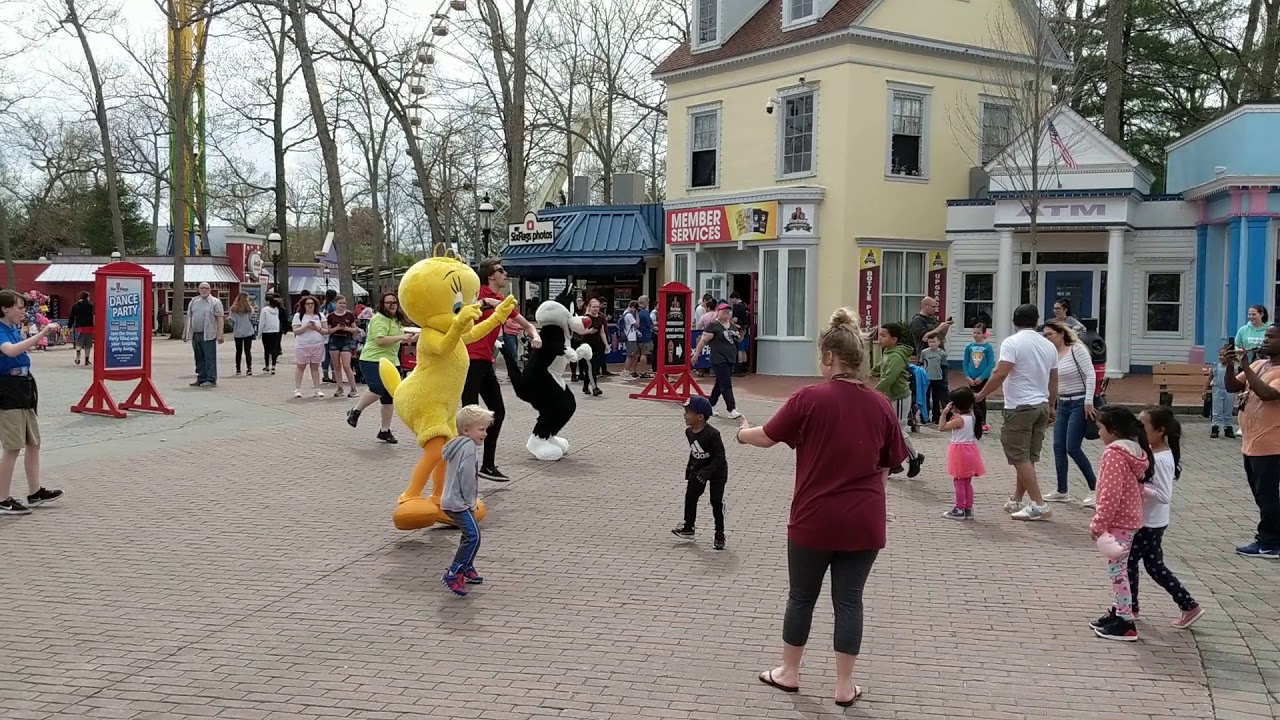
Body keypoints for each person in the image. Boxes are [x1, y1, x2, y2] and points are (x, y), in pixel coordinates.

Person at [737, 308, 907, 708]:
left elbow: (767, 436)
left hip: (814, 517)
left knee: (801, 597)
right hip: (864, 520)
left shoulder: (809, 398)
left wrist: (741, 433)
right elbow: (887, 463)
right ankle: (844, 686)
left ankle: (789, 672)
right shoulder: (881, 404)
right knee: (849, 601)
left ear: (829, 357)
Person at [976, 304, 1058, 521]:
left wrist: (981, 395)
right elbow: (1054, 378)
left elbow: (1000, 373)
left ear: (1014, 321)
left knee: (1019, 456)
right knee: (1028, 456)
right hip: (1041, 404)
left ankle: (1038, 504)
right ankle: (1017, 498)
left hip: (1020, 406)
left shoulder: (1012, 342)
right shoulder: (1048, 345)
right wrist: (1051, 405)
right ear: (1037, 321)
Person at [463, 258, 542, 482]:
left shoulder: (501, 300)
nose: (505, 274)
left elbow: (526, 324)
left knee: (497, 411)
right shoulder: (475, 293)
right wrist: (484, 302)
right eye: (501, 271)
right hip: (468, 361)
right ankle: (465, 467)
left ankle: (487, 465)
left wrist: (535, 335)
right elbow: (462, 310)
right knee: (468, 415)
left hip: (485, 361)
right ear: (490, 275)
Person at [1126, 407, 1204, 629]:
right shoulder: (1154, 453)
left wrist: (1137, 485)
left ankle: (1130, 606)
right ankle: (1187, 605)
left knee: (1129, 561)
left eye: (1143, 426)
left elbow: (1163, 495)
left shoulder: (1161, 459)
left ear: (1160, 431)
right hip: (1152, 521)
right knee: (1154, 565)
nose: (1138, 430)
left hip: (1149, 523)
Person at [1088, 406, 1153, 642]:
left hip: (1119, 520)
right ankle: (1118, 612)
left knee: (1117, 572)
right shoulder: (1136, 451)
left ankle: (1125, 621)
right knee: (1120, 568)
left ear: (1113, 430)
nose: (1099, 433)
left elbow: (1110, 493)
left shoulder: (1114, 454)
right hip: (1130, 518)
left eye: (1101, 428)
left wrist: (1099, 523)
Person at [0, 290, 63, 516]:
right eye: (19, 307)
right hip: (8, 390)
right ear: (4, 308)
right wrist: (43, 333)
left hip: (23, 387)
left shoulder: (13, 329)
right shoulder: (1, 331)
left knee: (33, 442)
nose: (23, 312)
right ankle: (2, 499)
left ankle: (35, 491)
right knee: (12, 446)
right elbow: (10, 351)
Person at [1224, 325, 1280, 558]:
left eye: (1272, 337)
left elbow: (1267, 394)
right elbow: (1232, 386)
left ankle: (1270, 542)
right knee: (1260, 495)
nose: (1265, 340)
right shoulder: (1260, 365)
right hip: (1252, 443)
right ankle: (1271, 537)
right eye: (1265, 336)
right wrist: (1230, 364)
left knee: (1269, 496)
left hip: (1272, 444)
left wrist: (1245, 365)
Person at [1043, 320, 1099, 507]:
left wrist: (1088, 401)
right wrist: (1051, 404)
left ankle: (1095, 488)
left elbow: (1090, 374)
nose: (1048, 338)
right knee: (1058, 446)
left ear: (1061, 333)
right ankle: (1062, 490)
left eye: (1050, 334)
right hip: (1063, 403)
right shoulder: (1052, 354)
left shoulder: (1076, 349)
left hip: (1079, 402)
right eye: (1045, 335)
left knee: (1072, 447)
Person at [440, 404, 494, 597]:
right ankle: (455, 572)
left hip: (451, 500)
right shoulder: (469, 448)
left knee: (469, 534)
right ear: (466, 430)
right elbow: (468, 477)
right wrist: (471, 502)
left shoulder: (458, 444)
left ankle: (467, 566)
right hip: (459, 502)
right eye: (481, 429)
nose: (485, 434)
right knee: (473, 536)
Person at [348, 293, 414, 444]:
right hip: (372, 360)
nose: (392, 305)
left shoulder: (395, 320)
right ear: (382, 304)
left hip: (391, 361)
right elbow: (380, 340)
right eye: (388, 302)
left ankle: (385, 431)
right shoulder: (378, 319)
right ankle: (356, 411)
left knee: (389, 397)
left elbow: (397, 339)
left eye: (394, 302)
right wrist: (402, 337)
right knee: (378, 388)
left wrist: (412, 338)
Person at [671, 395, 728, 549]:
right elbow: (695, 450)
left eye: (688, 412)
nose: (684, 415)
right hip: (699, 468)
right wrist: (690, 468)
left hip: (717, 471)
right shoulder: (689, 432)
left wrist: (707, 472)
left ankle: (719, 533)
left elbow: (720, 457)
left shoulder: (712, 434)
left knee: (716, 501)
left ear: (700, 417)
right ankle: (688, 527)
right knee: (690, 496)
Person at [870, 323, 923, 476]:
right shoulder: (888, 352)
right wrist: (871, 372)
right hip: (890, 396)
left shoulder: (896, 356)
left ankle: (914, 458)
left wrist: (873, 392)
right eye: (879, 335)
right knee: (888, 430)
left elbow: (889, 377)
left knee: (898, 431)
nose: (880, 338)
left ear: (894, 339)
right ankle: (895, 462)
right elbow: (881, 366)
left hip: (899, 397)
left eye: (883, 335)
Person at [940, 387, 985, 520]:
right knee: (967, 482)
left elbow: (941, 427)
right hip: (971, 450)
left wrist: (944, 413)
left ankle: (959, 508)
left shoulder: (959, 420)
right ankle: (968, 508)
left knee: (958, 481)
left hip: (959, 452)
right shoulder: (972, 416)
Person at [692, 303, 741, 419]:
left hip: (730, 358)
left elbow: (737, 339)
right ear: (718, 312)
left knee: (720, 384)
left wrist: (739, 336)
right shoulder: (713, 325)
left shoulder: (732, 325)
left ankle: (709, 405)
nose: (726, 313)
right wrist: (696, 355)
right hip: (719, 359)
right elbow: (703, 341)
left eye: (728, 311)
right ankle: (731, 409)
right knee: (726, 384)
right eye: (723, 311)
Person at [186, 282, 225, 388]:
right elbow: (189, 317)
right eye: (202, 288)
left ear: (210, 290)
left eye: (206, 288)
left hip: (209, 334)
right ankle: (201, 378)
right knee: (199, 358)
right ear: (198, 290)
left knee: (209, 357)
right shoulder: (194, 301)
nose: (204, 290)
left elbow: (220, 318)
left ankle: (211, 379)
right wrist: (186, 333)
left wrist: (220, 334)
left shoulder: (215, 302)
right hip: (196, 334)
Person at [291, 296, 328, 399]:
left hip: (317, 344)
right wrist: (306, 326)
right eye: (308, 304)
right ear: (304, 305)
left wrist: (317, 328)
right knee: (300, 366)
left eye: (312, 304)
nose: (310, 306)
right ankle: (297, 389)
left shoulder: (320, 316)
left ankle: (317, 389)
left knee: (315, 367)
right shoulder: (299, 316)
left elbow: (326, 330)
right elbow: (296, 331)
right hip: (303, 344)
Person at [326, 296, 359, 398]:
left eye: (344, 303)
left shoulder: (349, 315)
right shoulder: (330, 316)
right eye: (340, 303)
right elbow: (328, 331)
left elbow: (355, 329)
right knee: (336, 365)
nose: (342, 305)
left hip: (346, 340)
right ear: (336, 304)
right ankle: (340, 388)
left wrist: (347, 328)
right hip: (334, 340)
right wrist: (337, 328)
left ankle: (353, 388)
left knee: (346, 365)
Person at [963, 324, 994, 431]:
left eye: (978, 333)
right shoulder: (969, 347)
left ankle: (982, 422)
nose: (976, 335)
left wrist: (982, 377)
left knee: (981, 399)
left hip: (982, 379)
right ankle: (973, 421)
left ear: (984, 333)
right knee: (973, 400)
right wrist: (967, 376)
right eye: (974, 332)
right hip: (971, 378)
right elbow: (965, 363)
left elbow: (991, 364)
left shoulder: (988, 347)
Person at [1205, 343, 1235, 438]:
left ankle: (1228, 428)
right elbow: (1209, 379)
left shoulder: (1232, 367)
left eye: (1224, 355)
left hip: (1229, 391)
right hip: (1217, 390)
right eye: (1220, 355)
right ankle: (1215, 427)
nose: (1221, 357)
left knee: (1228, 410)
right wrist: (1204, 390)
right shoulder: (1215, 367)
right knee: (1217, 410)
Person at [919, 335, 947, 423]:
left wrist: (944, 379)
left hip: (938, 378)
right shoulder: (924, 352)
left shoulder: (942, 353)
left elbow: (944, 367)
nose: (932, 344)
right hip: (926, 379)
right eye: (930, 342)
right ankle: (924, 417)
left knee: (936, 399)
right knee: (925, 398)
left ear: (939, 342)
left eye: (934, 342)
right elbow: (920, 364)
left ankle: (936, 417)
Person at [229, 294, 257, 377]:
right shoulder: (249, 309)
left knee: (238, 351)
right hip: (248, 331)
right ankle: (249, 369)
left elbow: (232, 320)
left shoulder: (233, 309)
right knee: (248, 351)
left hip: (238, 332)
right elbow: (252, 319)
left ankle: (238, 369)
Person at [67, 291, 94, 367]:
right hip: (89, 327)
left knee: (79, 342)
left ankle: (78, 353)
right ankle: (86, 360)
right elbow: (94, 316)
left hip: (79, 327)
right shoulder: (91, 306)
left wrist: (69, 326)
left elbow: (72, 317)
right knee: (88, 344)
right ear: (87, 297)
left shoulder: (75, 306)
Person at [259, 295, 283, 375]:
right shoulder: (276, 309)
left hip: (266, 332)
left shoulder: (264, 310)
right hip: (275, 331)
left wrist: (259, 333)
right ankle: (273, 366)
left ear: (268, 301)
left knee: (266, 350)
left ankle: (267, 366)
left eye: (265, 300)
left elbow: (262, 322)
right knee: (274, 349)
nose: (264, 302)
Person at [620, 300, 642, 379]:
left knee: (634, 355)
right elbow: (637, 325)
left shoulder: (625, 313)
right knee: (630, 356)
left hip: (630, 337)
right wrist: (637, 315)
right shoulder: (629, 315)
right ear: (632, 307)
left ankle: (626, 371)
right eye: (635, 309)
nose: (635, 311)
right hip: (631, 338)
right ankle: (626, 372)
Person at [320, 289, 338, 383]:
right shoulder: (333, 306)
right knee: (333, 355)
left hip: (323, 332)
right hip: (332, 331)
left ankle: (325, 375)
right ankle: (334, 376)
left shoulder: (322, 306)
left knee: (325, 355)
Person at [636, 294, 655, 378]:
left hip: (637, 336)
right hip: (646, 335)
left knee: (636, 355)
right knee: (644, 354)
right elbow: (649, 324)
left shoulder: (635, 312)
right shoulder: (645, 313)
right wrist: (654, 325)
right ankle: (643, 372)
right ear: (645, 302)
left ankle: (634, 371)